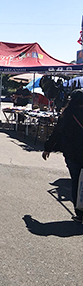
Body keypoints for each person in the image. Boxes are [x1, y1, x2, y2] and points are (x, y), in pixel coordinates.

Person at [43, 89, 83, 222]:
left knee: (76, 182)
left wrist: (48, 148)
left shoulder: (68, 114)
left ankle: (79, 212)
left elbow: (57, 132)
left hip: (72, 153)